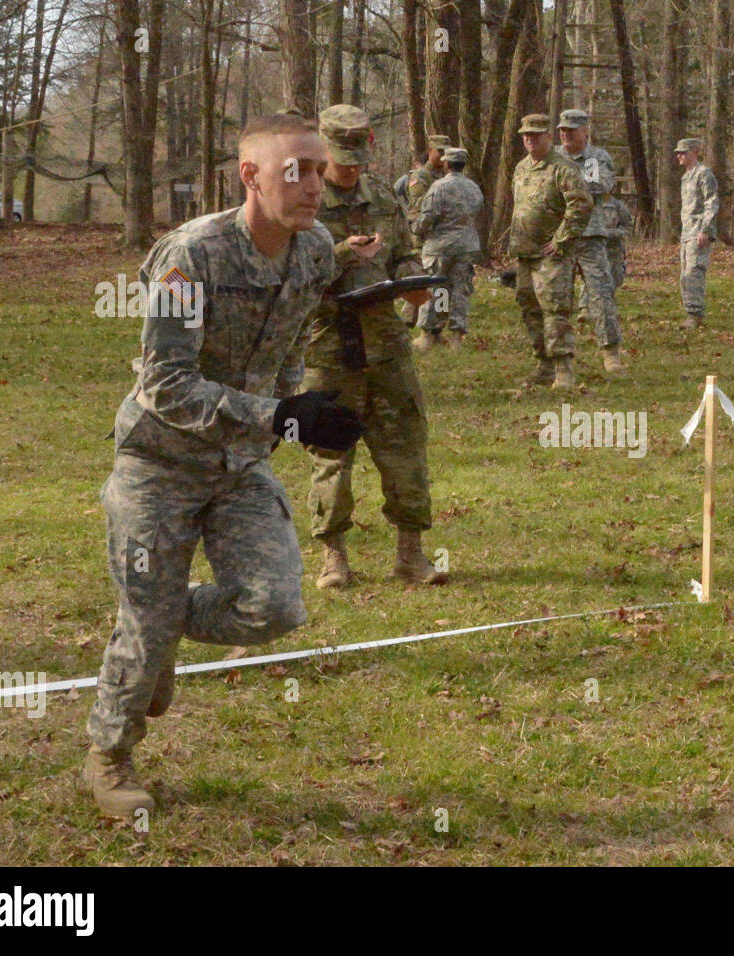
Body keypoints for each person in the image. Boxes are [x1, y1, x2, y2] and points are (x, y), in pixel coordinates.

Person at [85, 112, 364, 818]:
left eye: (318, 168)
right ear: (251, 175)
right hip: (159, 461)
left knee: (274, 606)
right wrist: (278, 414)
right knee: (143, 628)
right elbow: (166, 385)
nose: (313, 185)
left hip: (239, 464)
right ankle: (111, 755)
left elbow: (290, 344)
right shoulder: (192, 255)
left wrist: (296, 403)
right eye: (295, 170)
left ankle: (159, 620)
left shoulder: (315, 251)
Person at [303, 104, 447, 591]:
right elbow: (289, 275)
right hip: (327, 344)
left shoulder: (384, 193)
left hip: (386, 342)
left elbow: (404, 252)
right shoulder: (303, 201)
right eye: (343, 159)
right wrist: (343, 253)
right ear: (322, 150)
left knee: (404, 446)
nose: (353, 169)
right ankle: (333, 557)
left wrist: (412, 281)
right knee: (331, 454)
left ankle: (411, 555)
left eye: (359, 158)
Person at [509, 113, 593, 389]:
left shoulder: (562, 168)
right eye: (526, 135)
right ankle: (543, 365)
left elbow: (580, 205)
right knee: (530, 309)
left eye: (535, 134)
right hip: (525, 252)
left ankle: (563, 368)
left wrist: (562, 240)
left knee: (555, 309)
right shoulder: (522, 168)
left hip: (551, 254)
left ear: (548, 136)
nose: (530, 139)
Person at [556, 108, 626, 373]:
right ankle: (560, 359)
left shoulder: (595, 158)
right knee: (558, 299)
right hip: (560, 236)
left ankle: (611, 352)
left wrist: (568, 186)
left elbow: (602, 186)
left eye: (571, 129)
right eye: (562, 129)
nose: (565, 134)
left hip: (590, 235)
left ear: (585, 131)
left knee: (601, 295)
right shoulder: (553, 157)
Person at [412, 146, 483, 350]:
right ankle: (455, 337)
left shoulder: (439, 187)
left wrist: (416, 228)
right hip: (466, 246)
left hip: (440, 247)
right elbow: (476, 211)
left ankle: (427, 334)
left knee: (437, 288)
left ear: (446, 163)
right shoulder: (474, 188)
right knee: (460, 289)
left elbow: (427, 217)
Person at [404, 135, 451, 328]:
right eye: (439, 152)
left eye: (445, 153)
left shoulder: (446, 177)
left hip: (443, 236)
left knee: (442, 282)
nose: (442, 156)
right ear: (430, 151)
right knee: (421, 281)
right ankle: (410, 320)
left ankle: (438, 324)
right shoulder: (420, 176)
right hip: (423, 237)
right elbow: (419, 205)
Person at [674, 137, 719, 329]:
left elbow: (711, 202)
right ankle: (690, 312)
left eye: (683, 152)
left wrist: (705, 230)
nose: (679, 156)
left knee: (694, 271)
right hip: (687, 232)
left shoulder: (704, 174)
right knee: (685, 273)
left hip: (699, 231)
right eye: (678, 153)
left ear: (695, 152)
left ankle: (695, 314)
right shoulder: (686, 176)